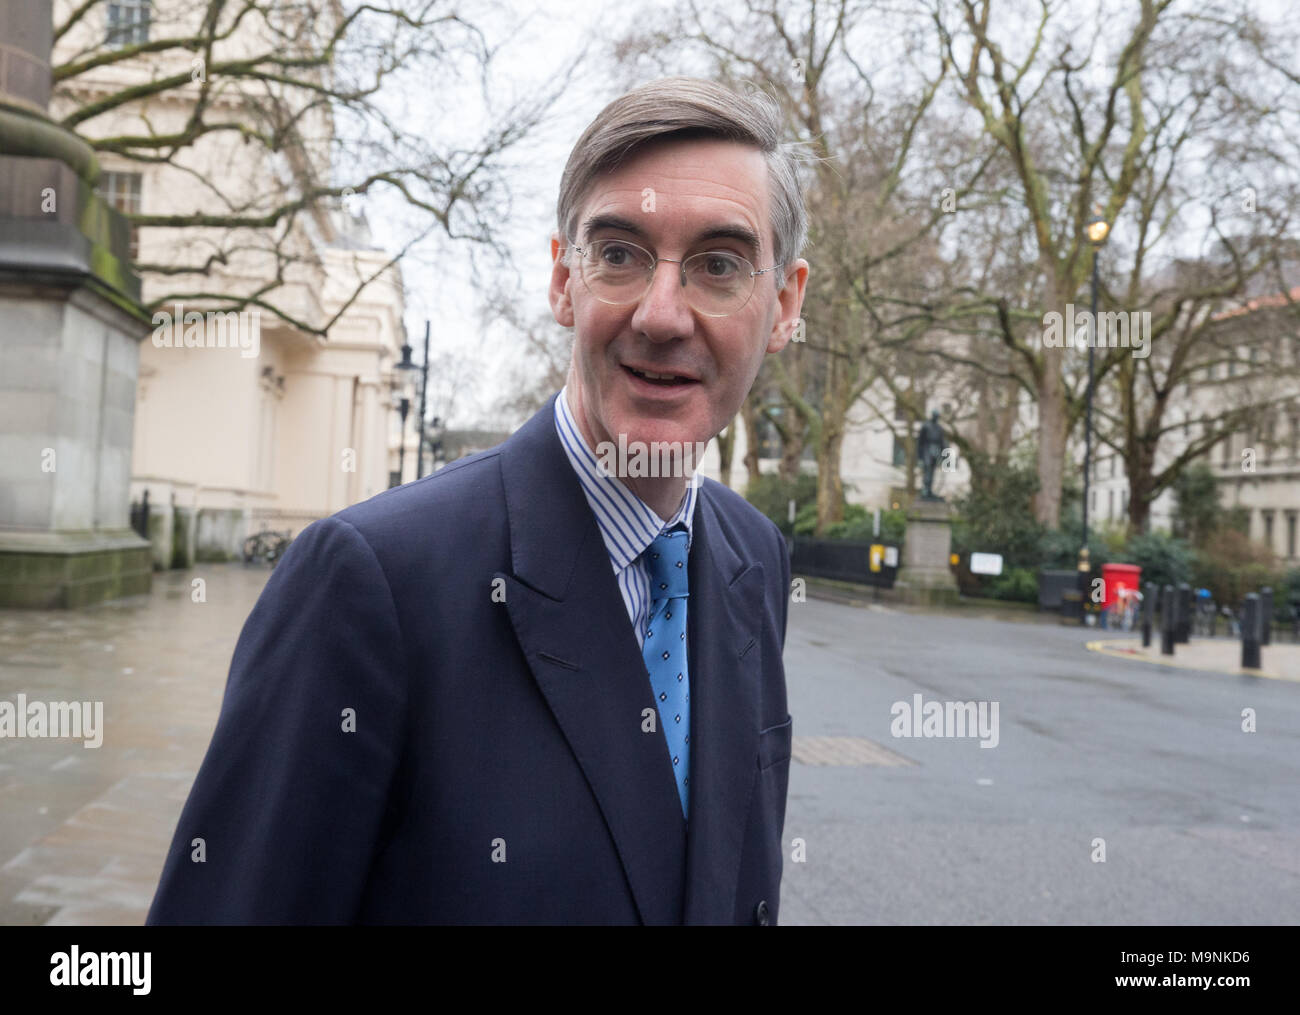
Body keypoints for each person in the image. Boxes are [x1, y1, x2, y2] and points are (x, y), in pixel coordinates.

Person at [146, 77, 809, 926]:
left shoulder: (754, 559)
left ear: (784, 304)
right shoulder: (369, 580)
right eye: (619, 253)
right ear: (564, 280)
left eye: (719, 265)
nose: (661, 313)